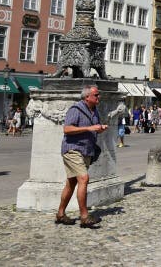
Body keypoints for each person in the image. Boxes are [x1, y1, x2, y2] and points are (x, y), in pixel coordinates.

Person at [55, 85, 107, 228]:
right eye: (96, 95)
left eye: (98, 95)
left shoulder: (94, 111)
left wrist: (99, 129)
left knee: (71, 183)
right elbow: (67, 128)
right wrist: (90, 128)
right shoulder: (75, 109)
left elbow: (93, 129)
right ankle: (84, 216)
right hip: (73, 150)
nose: (98, 97)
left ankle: (60, 214)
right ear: (87, 97)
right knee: (84, 178)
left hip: (86, 151)